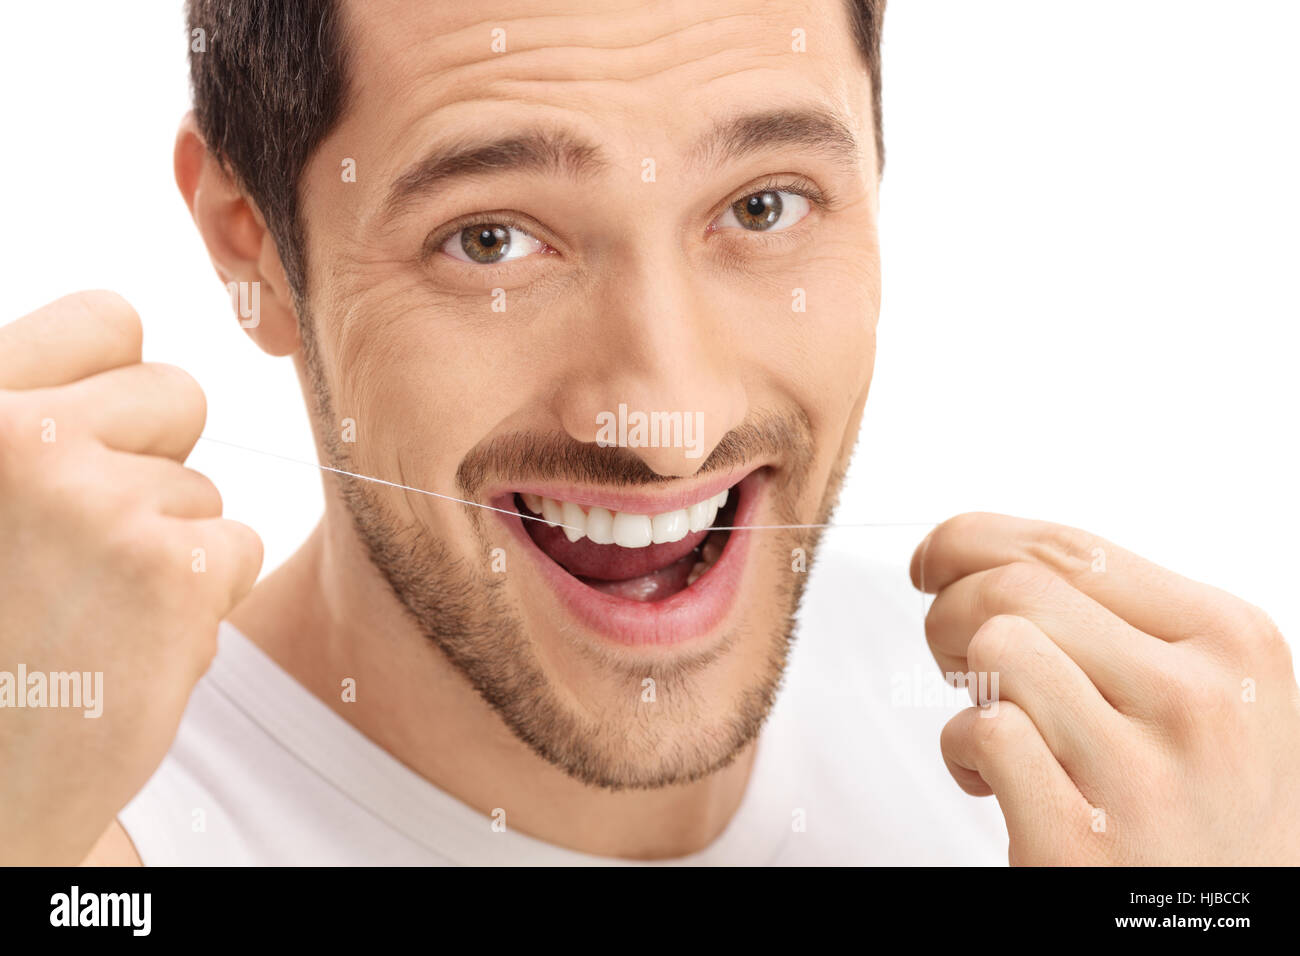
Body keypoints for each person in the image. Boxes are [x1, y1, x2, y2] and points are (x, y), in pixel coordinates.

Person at [2, 0, 1296, 866]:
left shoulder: (1125, 794)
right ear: (254, 247)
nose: (668, 423)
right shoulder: (79, 822)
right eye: (493, 239)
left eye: (768, 203)